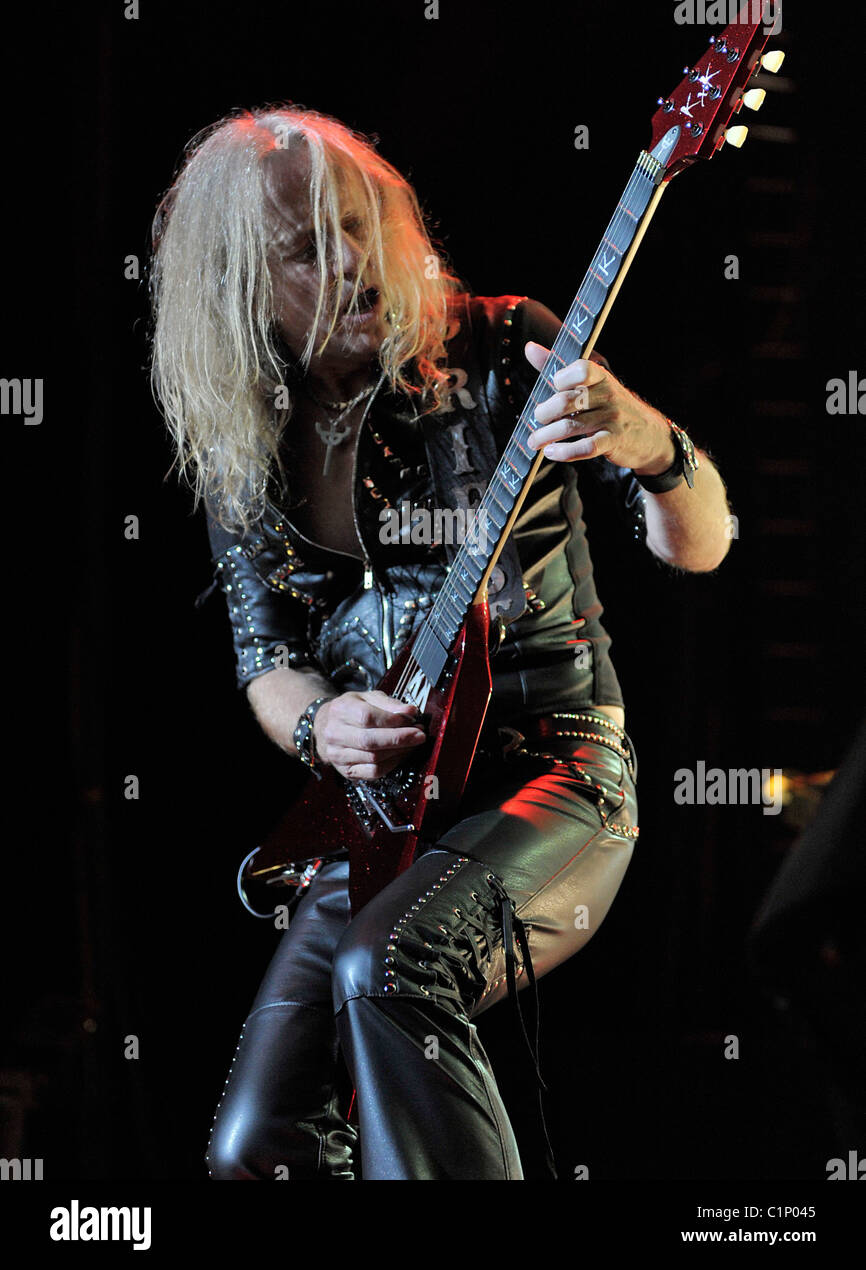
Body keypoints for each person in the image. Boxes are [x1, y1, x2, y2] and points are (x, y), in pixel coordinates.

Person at [149, 103, 732, 1180]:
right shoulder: (249, 439)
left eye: (357, 222)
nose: (352, 262)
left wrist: (645, 440)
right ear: (241, 290)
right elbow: (264, 663)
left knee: (391, 964)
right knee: (252, 1147)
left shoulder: (503, 341)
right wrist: (326, 724)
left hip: (554, 774)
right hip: (388, 817)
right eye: (305, 249)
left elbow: (702, 542)